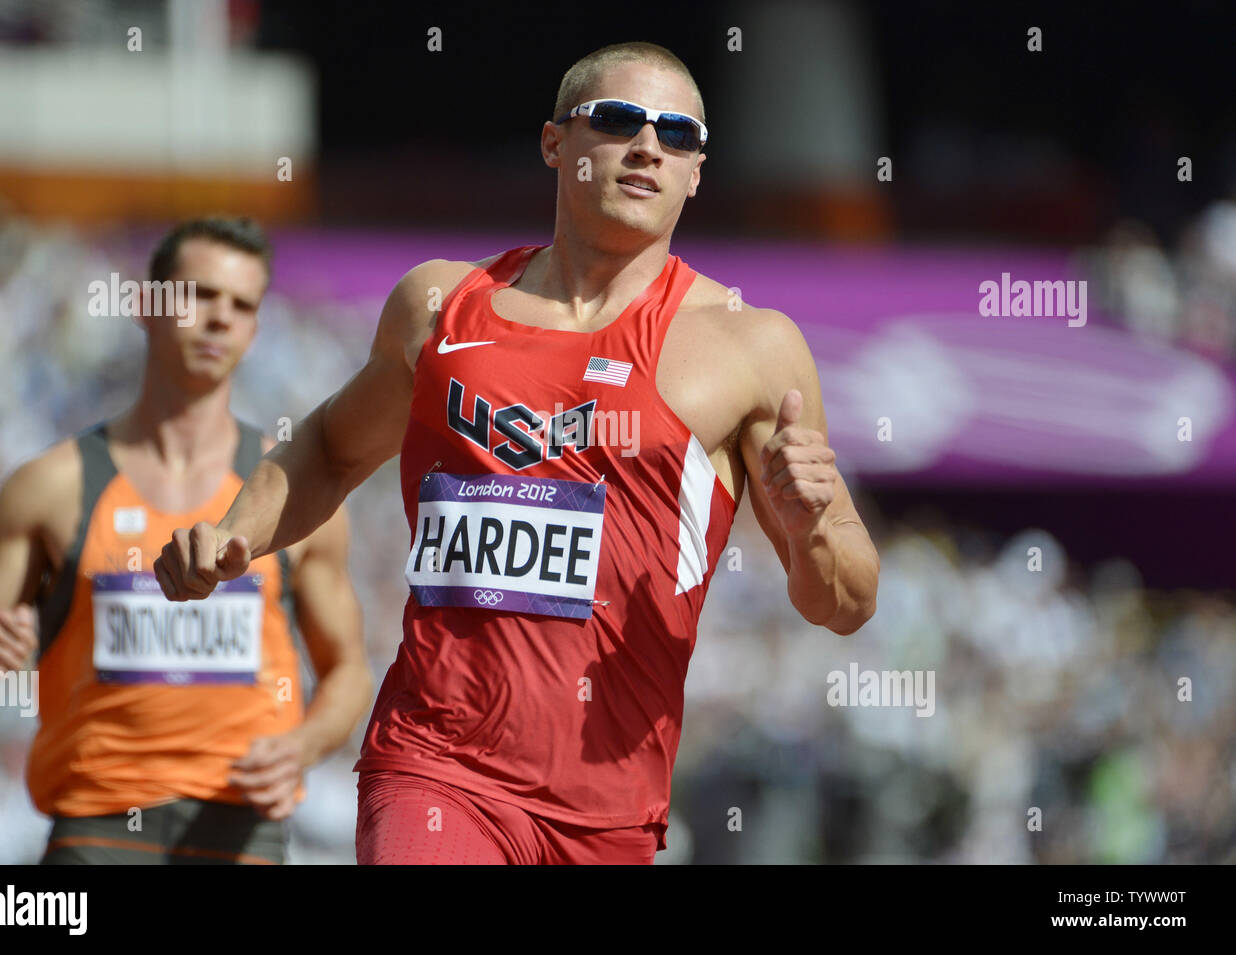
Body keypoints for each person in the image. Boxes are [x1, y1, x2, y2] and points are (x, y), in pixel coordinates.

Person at [153, 43, 880, 865]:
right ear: (553, 143)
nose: (648, 146)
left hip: (607, 812)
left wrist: (810, 525)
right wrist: (232, 535)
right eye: (616, 120)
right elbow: (327, 447)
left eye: (677, 134)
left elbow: (844, 602)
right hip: (434, 767)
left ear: (697, 172)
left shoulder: (752, 347)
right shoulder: (440, 306)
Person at [0, 217, 373, 864]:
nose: (220, 318)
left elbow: (348, 673)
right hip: (96, 827)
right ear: (145, 305)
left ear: (256, 330)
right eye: (198, 294)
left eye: (242, 305)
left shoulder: (293, 494)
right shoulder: (49, 489)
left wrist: (302, 746)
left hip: (240, 829)